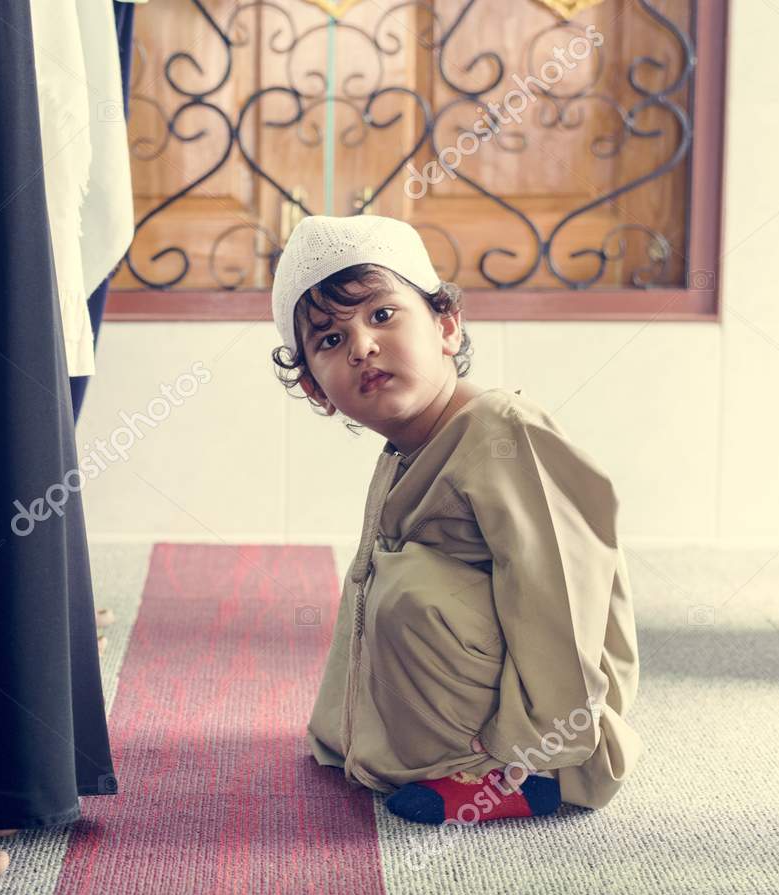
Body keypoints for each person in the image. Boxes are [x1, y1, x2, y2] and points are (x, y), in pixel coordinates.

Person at [269, 215, 642, 825]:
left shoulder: (502, 432)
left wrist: (549, 740)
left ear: (446, 327)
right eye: (331, 340)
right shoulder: (407, 444)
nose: (361, 346)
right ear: (316, 389)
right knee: (375, 575)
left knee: (412, 589)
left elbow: (562, 596)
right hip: (485, 670)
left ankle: (520, 775)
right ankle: (386, 742)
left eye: (382, 315)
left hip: (557, 717)